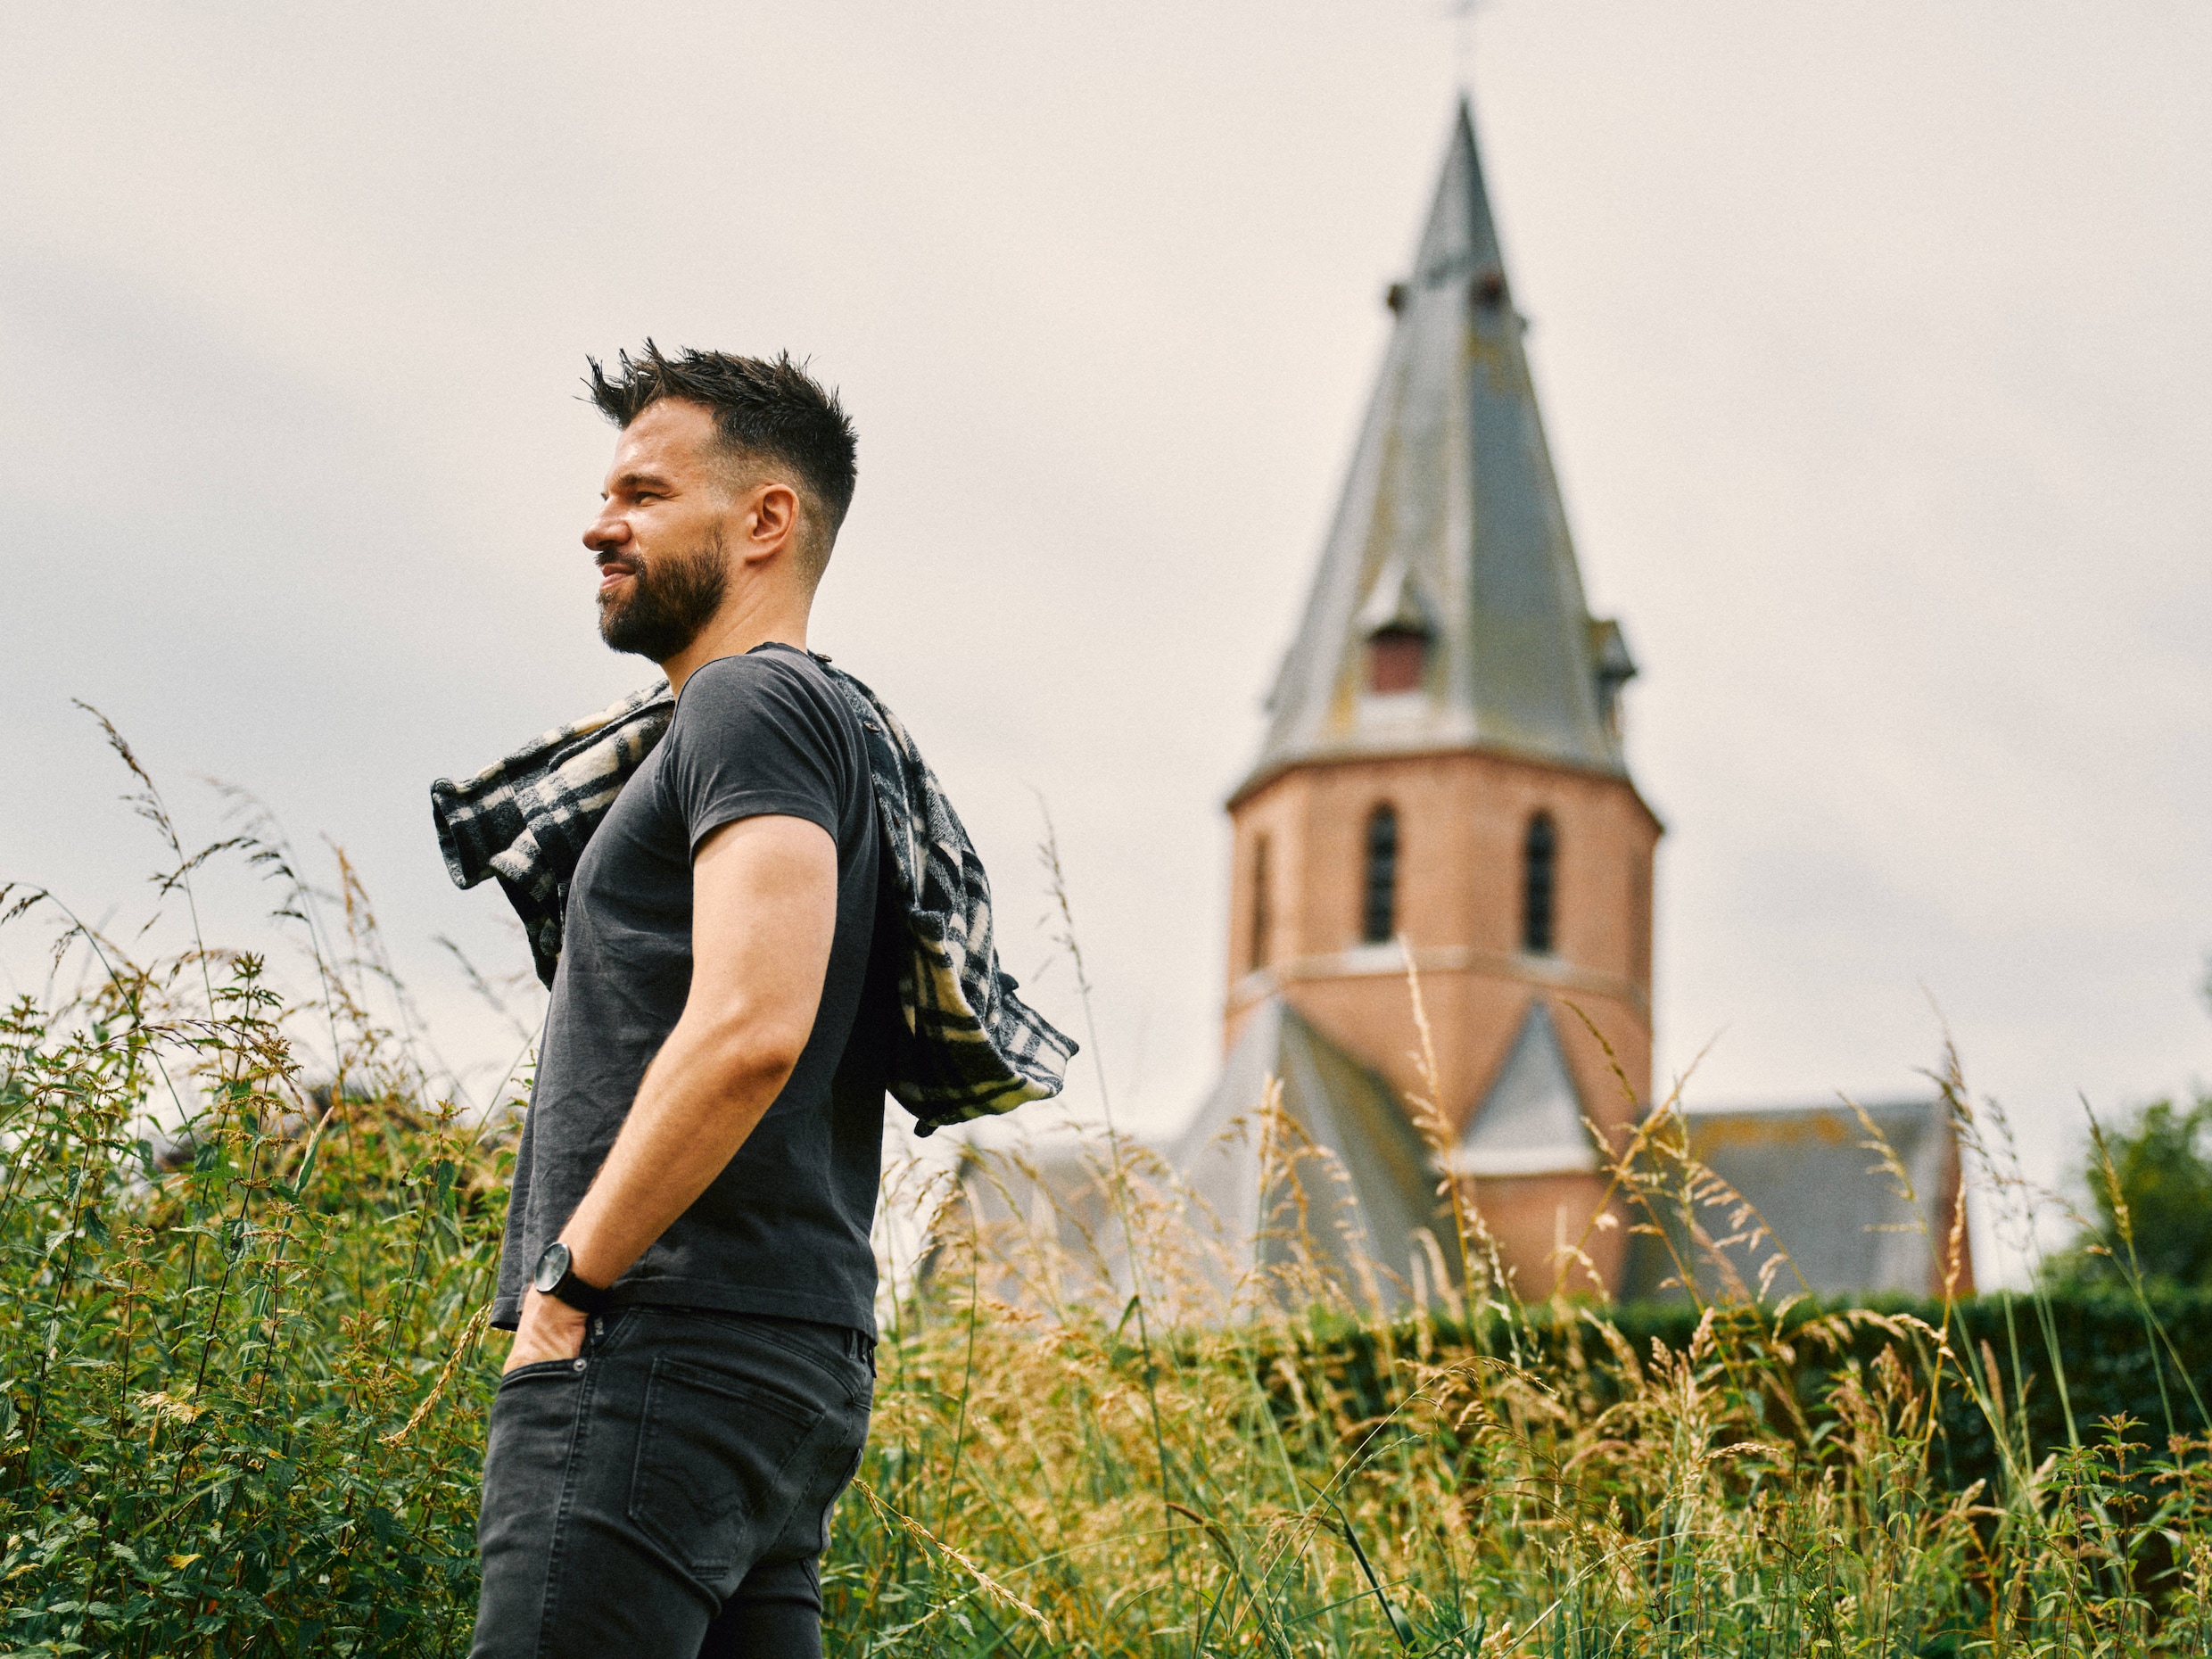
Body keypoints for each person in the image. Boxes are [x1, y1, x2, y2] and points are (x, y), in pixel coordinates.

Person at [468, 345, 889, 1658]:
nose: (600, 523)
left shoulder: (752, 704)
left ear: (766, 519)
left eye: (645, 493)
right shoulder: (833, 731)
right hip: (780, 1357)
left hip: (662, 1344)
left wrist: (570, 1282)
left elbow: (752, 1026)